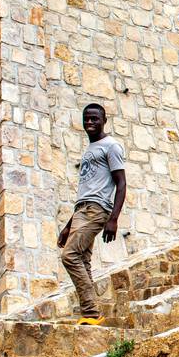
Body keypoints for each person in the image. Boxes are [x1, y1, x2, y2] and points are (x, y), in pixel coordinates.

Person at [57, 103, 127, 325]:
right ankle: (92, 315)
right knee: (83, 261)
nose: (89, 122)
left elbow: (121, 183)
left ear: (104, 120)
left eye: (94, 119)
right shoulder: (90, 150)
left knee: (69, 256)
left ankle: (91, 313)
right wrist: (69, 224)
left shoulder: (111, 146)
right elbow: (86, 190)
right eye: (86, 118)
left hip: (97, 210)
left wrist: (113, 218)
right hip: (83, 209)